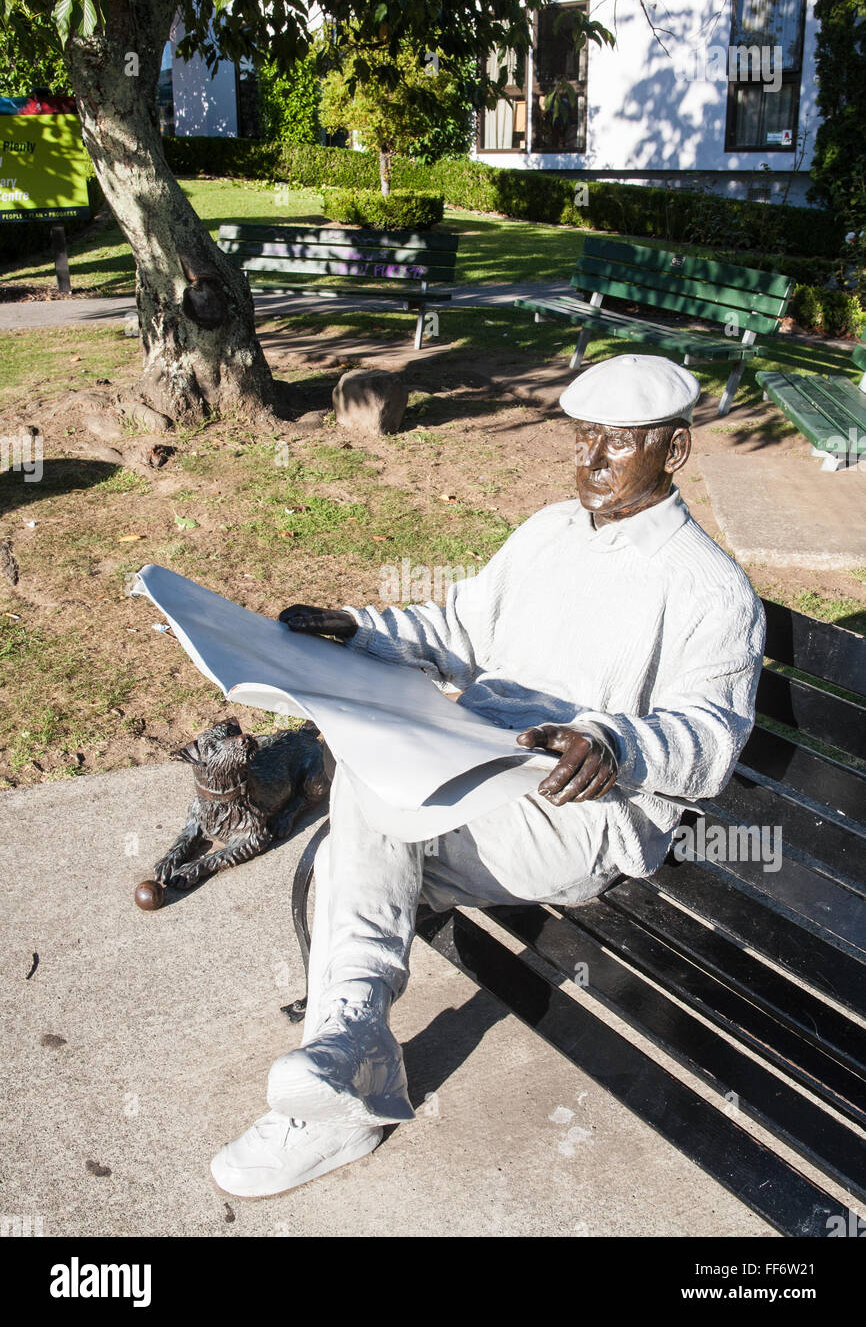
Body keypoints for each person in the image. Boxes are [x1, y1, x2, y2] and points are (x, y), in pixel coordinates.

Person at [210, 353, 766, 1197]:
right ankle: (343, 1058)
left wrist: (620, 744)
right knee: (367, 809)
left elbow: (713, 733)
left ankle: (347, 1062)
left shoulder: (711, 589)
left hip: (580, 814)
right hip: (474, 770)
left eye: (617, 443)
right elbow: (459, 625)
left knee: (362, 824)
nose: (590, 462)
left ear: (675, 450)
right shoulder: (549, 531)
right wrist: (358, 628)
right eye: (583, 438)